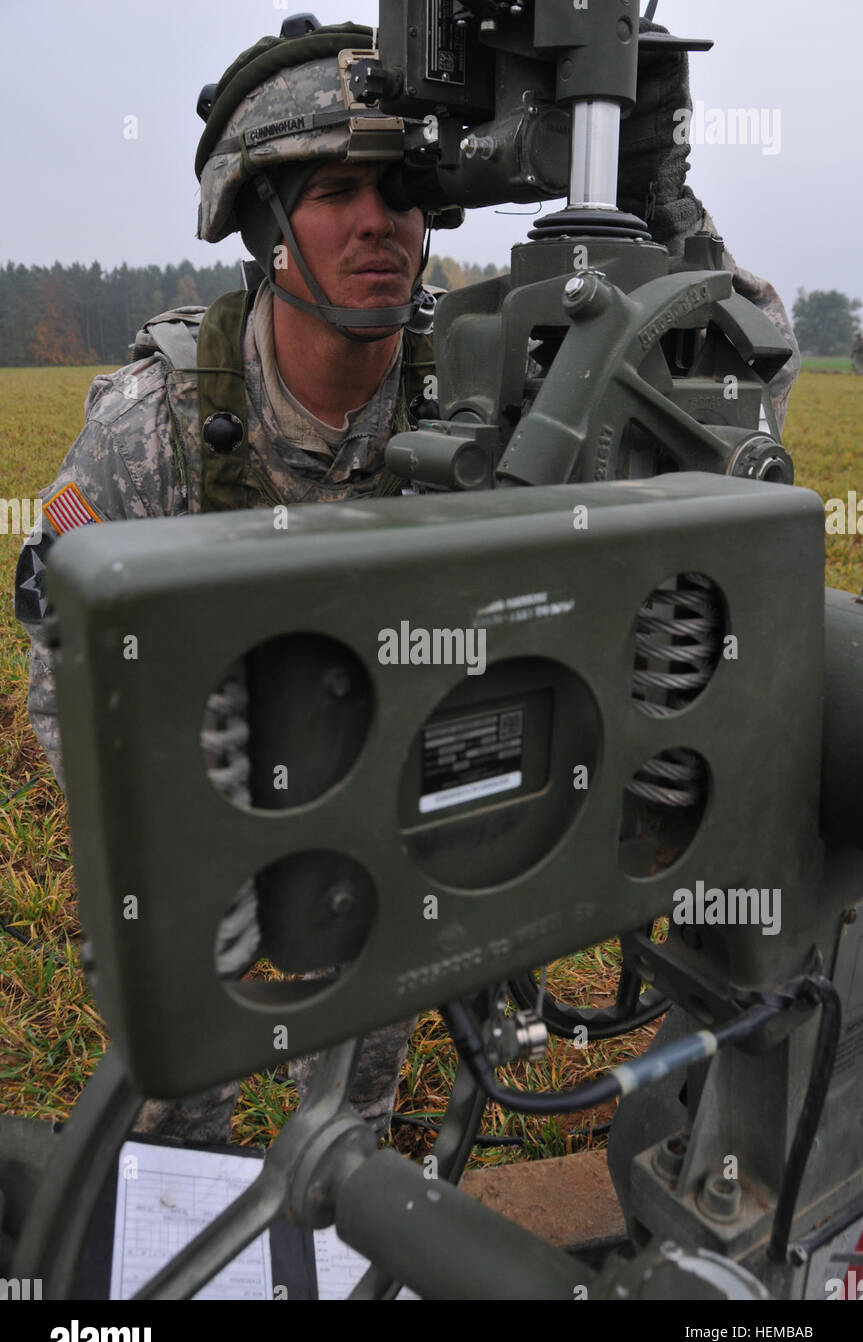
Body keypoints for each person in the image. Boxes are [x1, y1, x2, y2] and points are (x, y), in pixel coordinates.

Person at [13, 16, 800, 1144]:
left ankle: (352, 1185)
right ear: (264, 221)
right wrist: (214, 845)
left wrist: (662, 201)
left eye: (402, 192)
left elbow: (735, 385)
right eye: (336, 189)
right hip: (211, 810)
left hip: (402, 806)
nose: (380, 222)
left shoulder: (487, 381)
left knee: (362, 1079)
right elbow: (68, 683)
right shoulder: (161, 422)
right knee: (178, 1092)